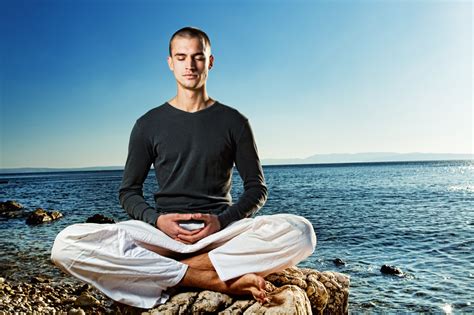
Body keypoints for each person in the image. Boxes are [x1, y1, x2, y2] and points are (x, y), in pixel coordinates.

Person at [51, 26, 316, 309]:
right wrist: (156, 221)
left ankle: (170, 271)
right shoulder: (147, 124)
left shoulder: (234, 121)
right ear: (170, 63)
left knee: (301, 232)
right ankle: (208, 278)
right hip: (162, 233)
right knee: (66, 244)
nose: (189, 65)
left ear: (210, 62)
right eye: (181, 57)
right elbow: (129, 191)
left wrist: (222, 221)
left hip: (218, 233)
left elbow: (256, 189)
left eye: (198, 57)